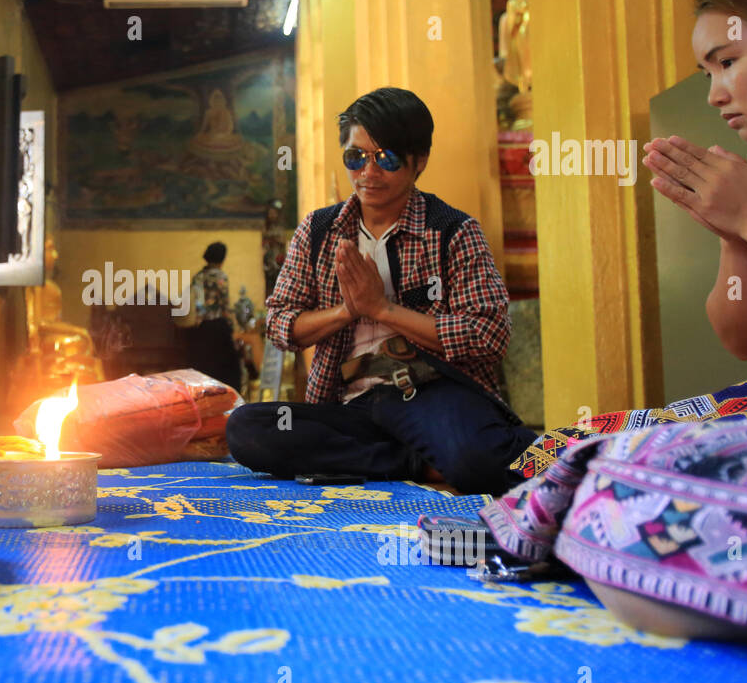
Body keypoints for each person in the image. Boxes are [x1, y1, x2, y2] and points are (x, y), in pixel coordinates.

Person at [479, 0, 747, 642]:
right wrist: (735, 233)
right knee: (572, 445)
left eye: (729, 62)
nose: (713, 94)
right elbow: (743, 336)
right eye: (706, 72)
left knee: (626, 485)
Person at [226, 87, 536, 493]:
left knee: (486, 462)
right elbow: (281, 324)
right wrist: (347, 311)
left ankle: (474, 451)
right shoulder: (318, 231)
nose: (368, 173)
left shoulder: (452, 231)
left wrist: (384, 310)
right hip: (350, 403)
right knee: (248, 430)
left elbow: (489, 334)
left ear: (418, 161)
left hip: (429, 391)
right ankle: (418, 461)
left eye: (386, 158)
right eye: (356, 157)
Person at [185, 242, 241, 391]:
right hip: (218, 327)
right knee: (228, 370)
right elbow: (224, 304)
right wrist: (231, 326)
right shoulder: (220, 276)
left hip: (201, 329)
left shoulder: (198, 277)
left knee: (206, 367)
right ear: (222, 259)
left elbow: (197, 305)